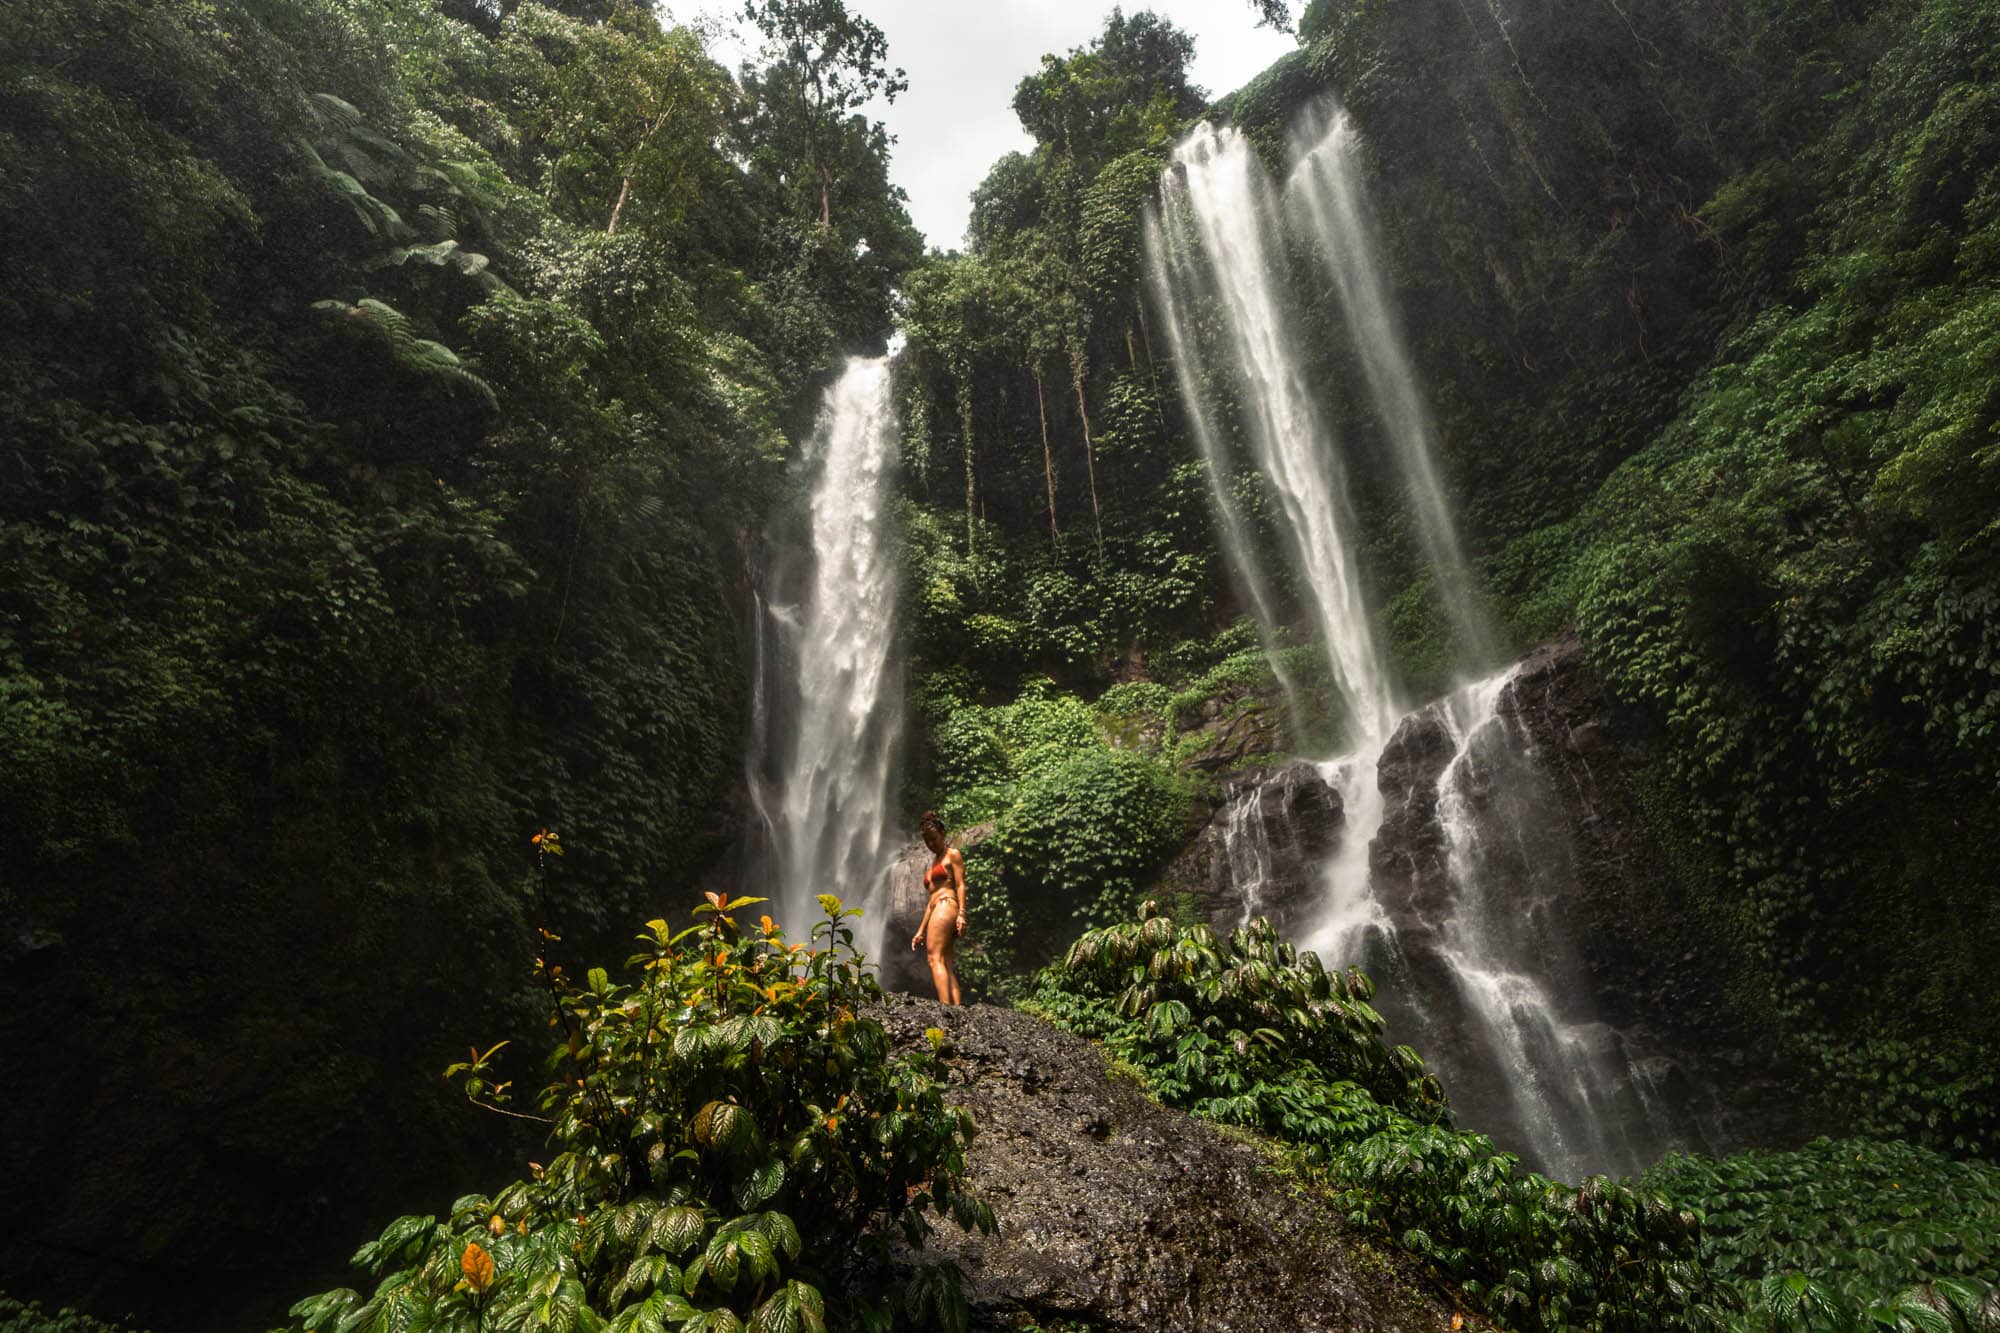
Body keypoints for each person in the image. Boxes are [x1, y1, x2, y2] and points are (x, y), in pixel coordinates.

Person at [909, 810, 966, 1005]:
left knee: (934, 958)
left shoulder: (953, 855)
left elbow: (960, 884)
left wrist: (962, 914)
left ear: (942, 834)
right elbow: (930, 902)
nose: (931, 844)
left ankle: (945, 1008)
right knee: (946, 963)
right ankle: (957, 1010)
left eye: (933, 839)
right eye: (927, 841)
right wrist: (920, 930)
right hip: (937, 908)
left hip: (947, 905)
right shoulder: (934, 861)